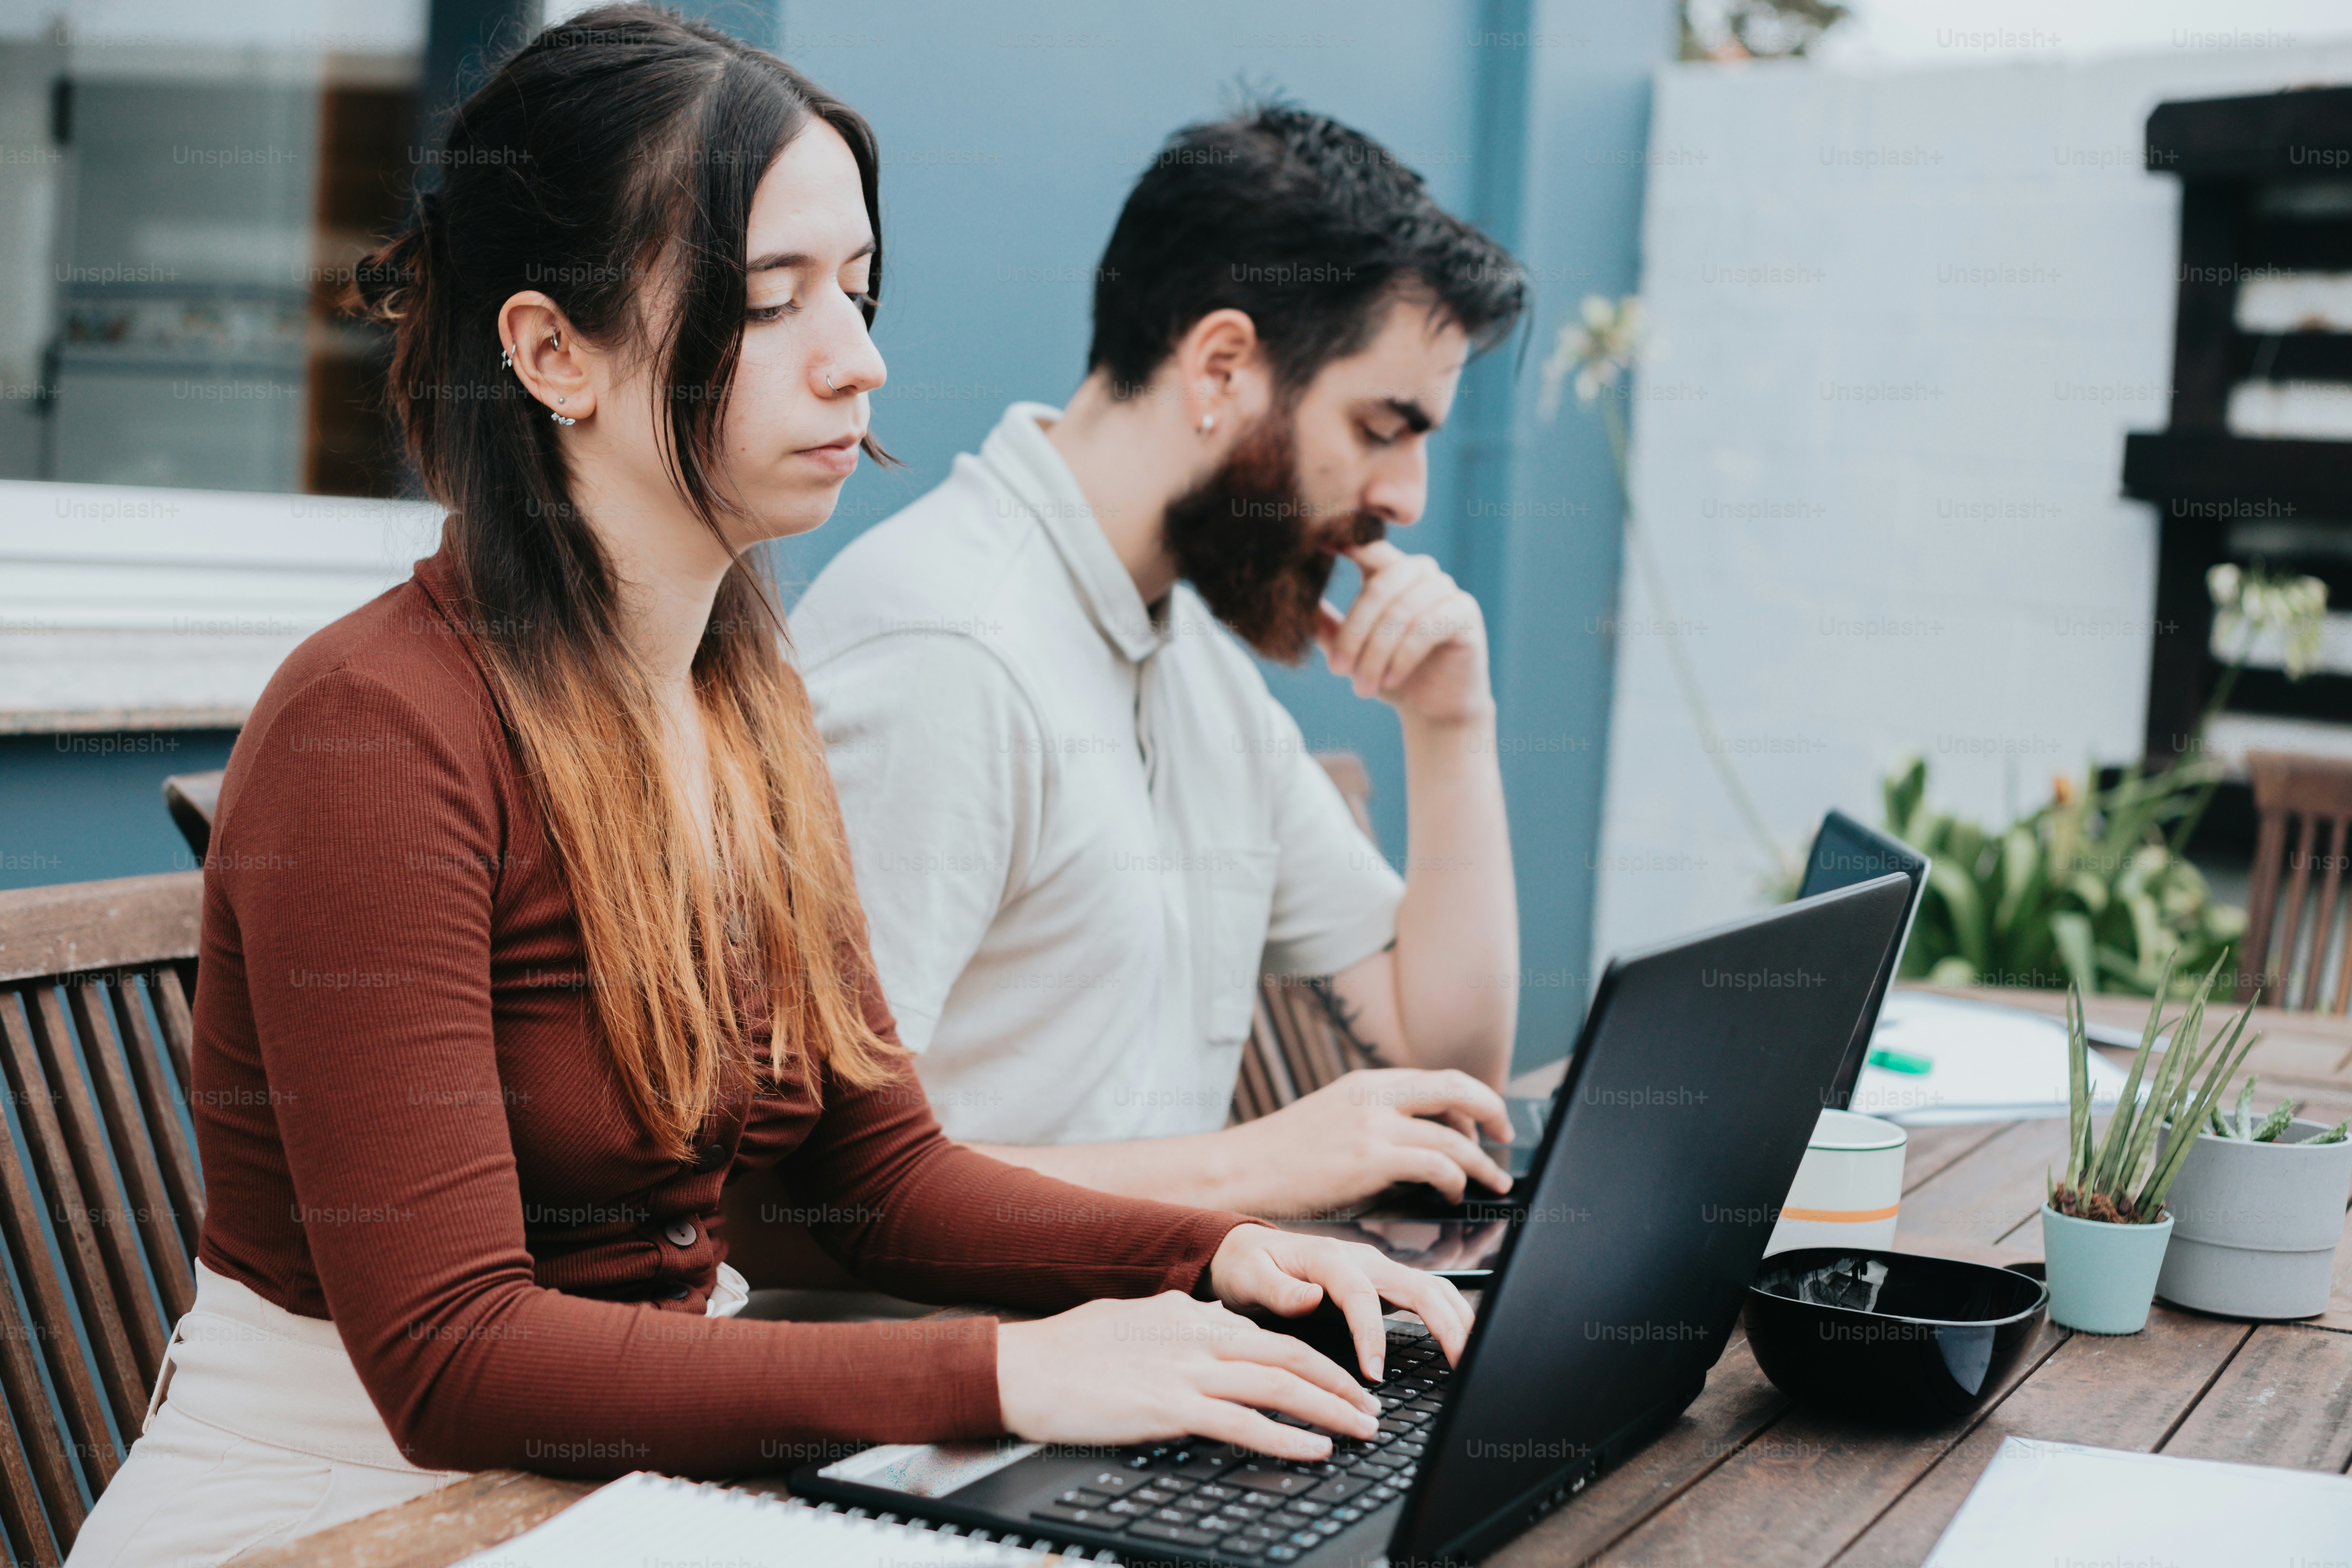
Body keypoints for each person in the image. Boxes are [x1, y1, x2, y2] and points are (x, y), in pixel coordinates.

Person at [65, 14, 1469, 1566]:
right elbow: (452, 1359)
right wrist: (1009, 1371)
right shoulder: (376, 729)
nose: (856, 356)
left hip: (639, 1497)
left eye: (858, 293)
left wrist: (1222, 1256)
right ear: (550, 353)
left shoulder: (742, 696)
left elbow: (880, 1178)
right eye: (770, 299)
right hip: (350, 1514)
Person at [789, 105, 1527, 1220]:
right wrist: (1244, 1173)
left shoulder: (1190, 661)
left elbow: (1448, 1070)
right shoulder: (945, 653)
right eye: (1383, 429)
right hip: (963, 1382)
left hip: (1160, 1360)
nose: (1407, 501)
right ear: (1221, 365)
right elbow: (793, 1200)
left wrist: (1453, 727)